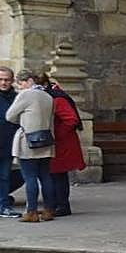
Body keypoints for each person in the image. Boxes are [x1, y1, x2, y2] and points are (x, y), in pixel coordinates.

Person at [5, 70, 56, 223]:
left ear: (27, 81)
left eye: (20, 84)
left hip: (28, 141)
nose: (20, 87)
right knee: (46, 176)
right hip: (46, 140)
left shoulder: (26, 94)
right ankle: (49, 210)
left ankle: (32, 212)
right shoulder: (48, 96)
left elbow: (9, 116)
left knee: (30, 176)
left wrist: (22, 119)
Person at [45, 78, 85, 217]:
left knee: (57, 175)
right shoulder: (56, 96)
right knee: (56, 175)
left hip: (62, 143)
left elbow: (71, 119)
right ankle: (58, 204)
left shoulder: (57, 99)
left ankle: (61, 205)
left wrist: (56, 134)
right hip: (61, 142)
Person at [0, 66, 24, 218]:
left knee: (4, 176)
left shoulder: (17, 98)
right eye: (0, 79)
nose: (3, 83)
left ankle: (3, 205)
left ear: (12, 81)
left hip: (7, 143)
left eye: (6, 80)